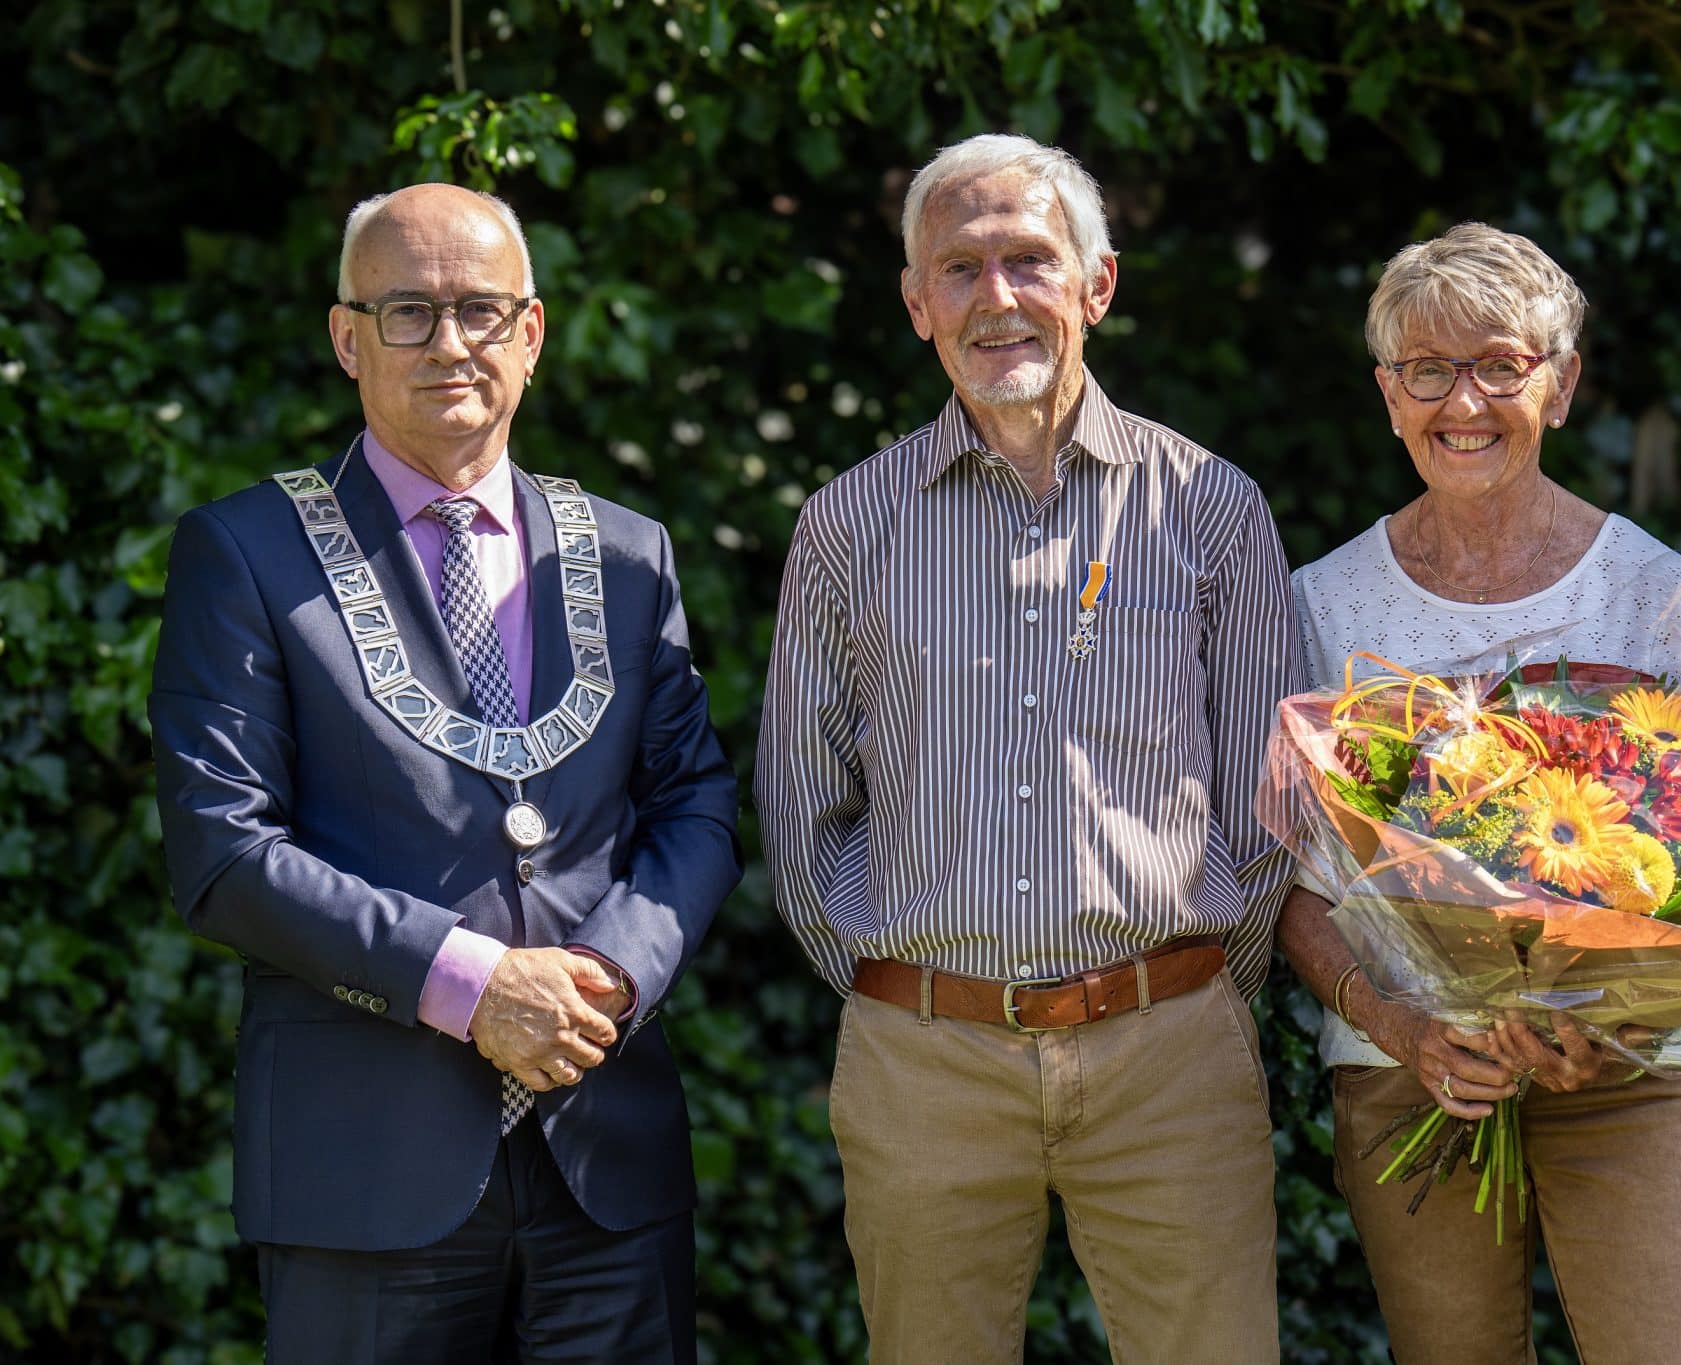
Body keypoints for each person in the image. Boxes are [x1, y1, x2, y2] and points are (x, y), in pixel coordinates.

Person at [149, 183, 740, 1363]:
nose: (449, 343)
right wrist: (473, 985)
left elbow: (695, 803)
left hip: (606, 1175)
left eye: (480, 309)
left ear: (530, 333)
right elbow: (222, 850)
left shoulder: (628, 551)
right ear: (345, 337)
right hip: (367, 1177)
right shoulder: (245, 551)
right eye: (408, 311)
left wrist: (608, 977)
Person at [755, 133, 1300, 1365]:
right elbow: (800, 809)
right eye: (960, 268)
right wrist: (907, 997)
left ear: (1095, 286)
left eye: (1029, 260)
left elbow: (1274, 810)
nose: (997, 297)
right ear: (915, 306)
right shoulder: (848, 523)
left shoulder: (1210, 504)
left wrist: (1184, 991)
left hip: (1169, 1054)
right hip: (923, 1063)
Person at [1277, 222, 1681, 1364]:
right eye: (1425, 370)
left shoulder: (1657, 595)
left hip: (1623, 1082)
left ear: (1562, 384)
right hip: (1410, 1077)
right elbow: (1278, 879)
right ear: (1387, 395)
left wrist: (1609, 1028)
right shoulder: (1318, 605)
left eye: (1498, 364)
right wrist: (1402, 1025)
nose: (1460, 401)